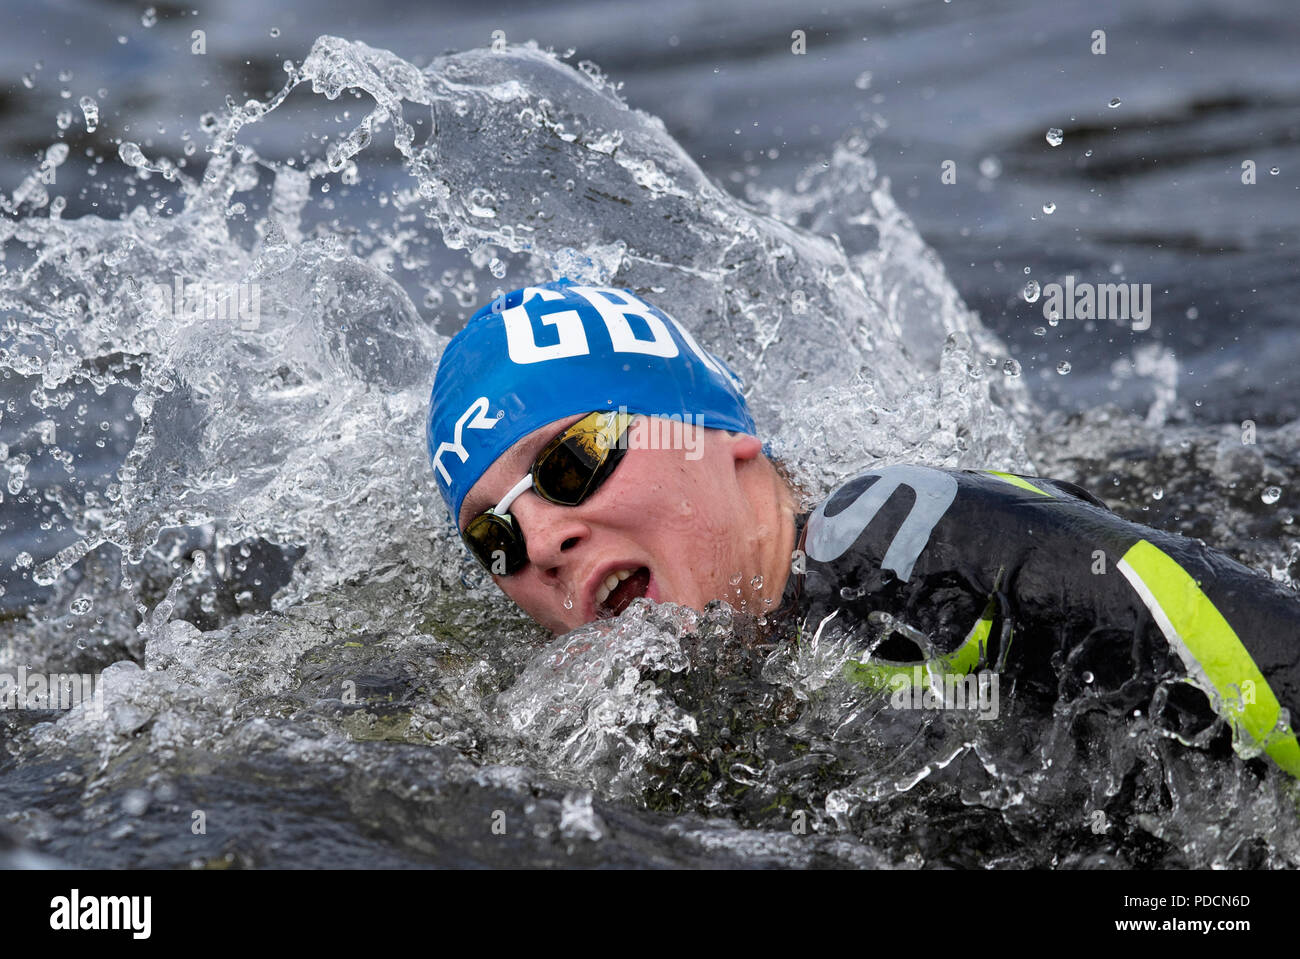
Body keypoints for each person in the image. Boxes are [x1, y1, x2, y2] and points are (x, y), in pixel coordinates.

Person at [428, 279, 1300, 779]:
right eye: (495, 540)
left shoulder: (906, 546)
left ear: (719, 432)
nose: (541, 543)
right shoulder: (669, 717)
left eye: (571, 463)